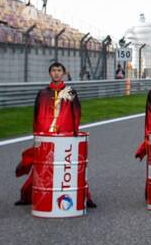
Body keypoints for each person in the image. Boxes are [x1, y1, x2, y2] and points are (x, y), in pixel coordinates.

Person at [15, 61, 96, 208]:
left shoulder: (70, 91)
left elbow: (76, 112)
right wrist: (37, 135)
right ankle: (30, 194)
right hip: (46, 134)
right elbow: (36, 115)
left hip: (65, 134)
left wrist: (74, 132)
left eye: (59, 70)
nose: (56, 73)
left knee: (69, 166)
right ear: (50, 73)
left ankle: (85, 196)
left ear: (63, 73)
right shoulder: (42, 93)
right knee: (42, 167)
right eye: (54, 70)